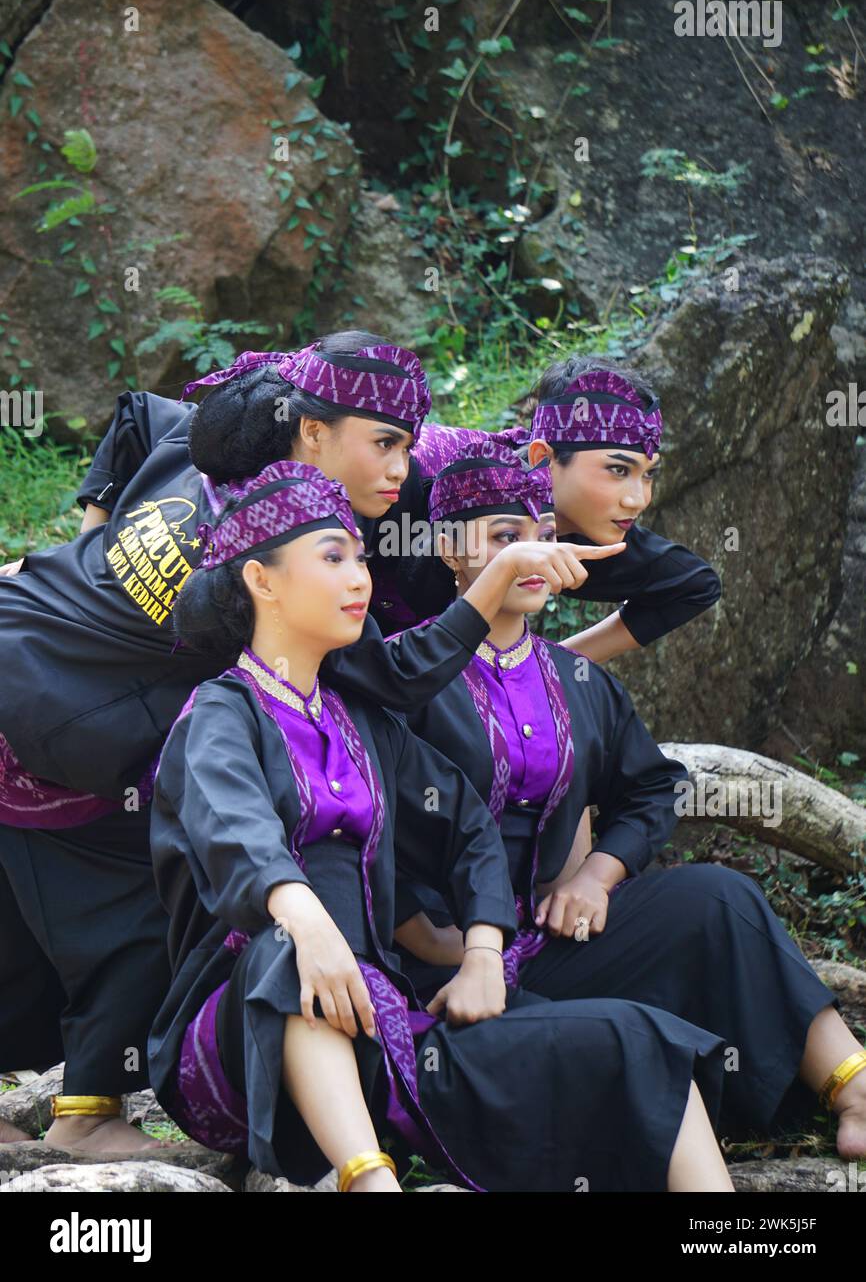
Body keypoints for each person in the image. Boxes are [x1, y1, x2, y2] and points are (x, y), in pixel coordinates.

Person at [0, 332, 617, 1154]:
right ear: (316, 433)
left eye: (408, 444)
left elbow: (138, 419)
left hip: (29, 634)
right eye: (385, 445)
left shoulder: (227, 430)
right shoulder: (274, 535)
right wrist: (496, 586)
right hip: (55, 712)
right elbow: (387, 678)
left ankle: (83, 1110)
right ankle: (89, 1115)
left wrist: (91, 547)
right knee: (159, 880)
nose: (400, 471)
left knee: (44, 900)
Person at [148, 458, 738, 1192]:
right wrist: (309, 923)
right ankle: (368, 1181)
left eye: (361, 558)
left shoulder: (361, 719)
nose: (360, 578)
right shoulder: (218, 715)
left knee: (638, 1038)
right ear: (262, 581)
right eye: (333, 558)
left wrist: (485, 953)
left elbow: (466, 828)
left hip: (382, 1019)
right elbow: (235, 833)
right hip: (241, 1037)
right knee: (284, 950)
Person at [391, 438, 866, 1163]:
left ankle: (853, 1086)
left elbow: (653, 786)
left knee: (718, 897)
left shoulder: (578, 681)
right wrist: (435, 942)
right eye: (505, 539)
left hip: (552, 945)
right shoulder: (405, 678)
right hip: (451, 974)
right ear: (447, 549)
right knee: (619, 1033)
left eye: (543, 538)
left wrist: (597, 874)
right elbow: (359, 828)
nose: (534, 557)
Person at [371, 357, 720, 663]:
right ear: (544, 458)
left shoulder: (593, 528)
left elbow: (692, 584)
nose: (638, 499)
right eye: (618, 470)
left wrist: (552, 672)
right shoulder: (422, 467)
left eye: (649, 474)